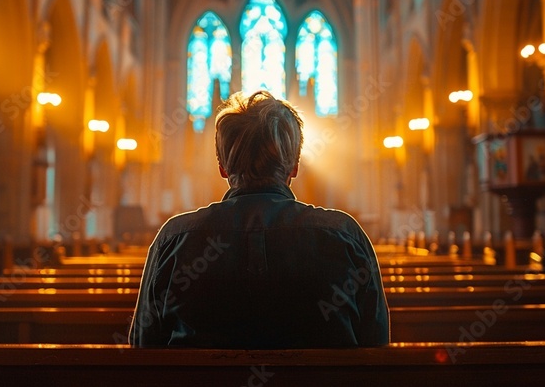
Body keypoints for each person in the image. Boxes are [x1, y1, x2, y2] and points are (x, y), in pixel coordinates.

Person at [129, 90, 389, 348]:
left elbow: (143, 350)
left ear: (222, 167)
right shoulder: (344, 236)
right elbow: (377, 351)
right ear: (295, 166)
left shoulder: (174, 239)